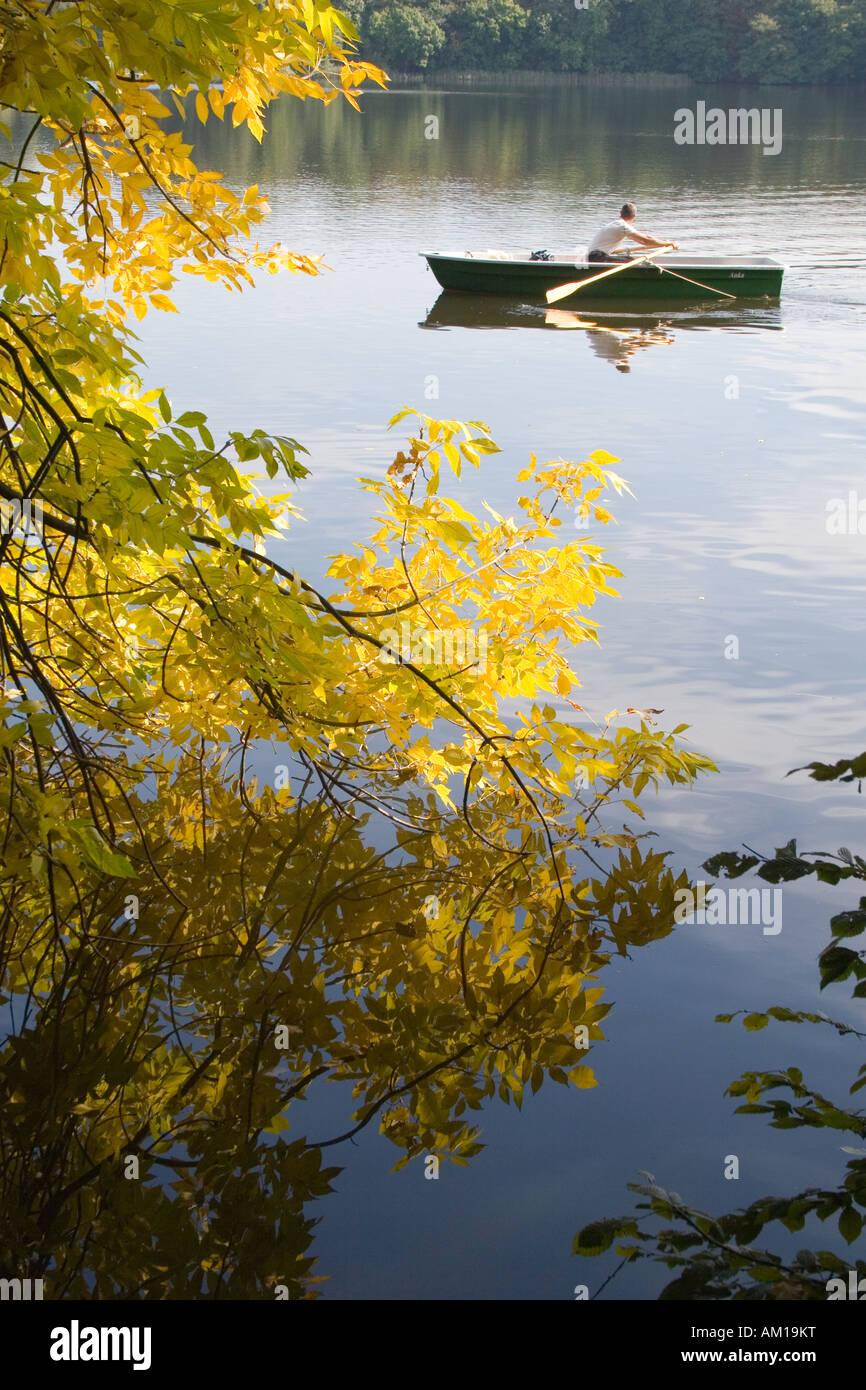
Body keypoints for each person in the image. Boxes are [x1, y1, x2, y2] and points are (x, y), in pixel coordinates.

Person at [586, 203, 677, 263]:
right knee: (633, 261)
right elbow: (646, 240)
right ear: (634, 216)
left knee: (630, 259)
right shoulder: (623, 227)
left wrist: (663, 244)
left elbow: (644, 240)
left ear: (621, 213)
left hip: (594, 256)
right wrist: (668, 243)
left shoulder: (615, 224)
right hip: (597, 258)